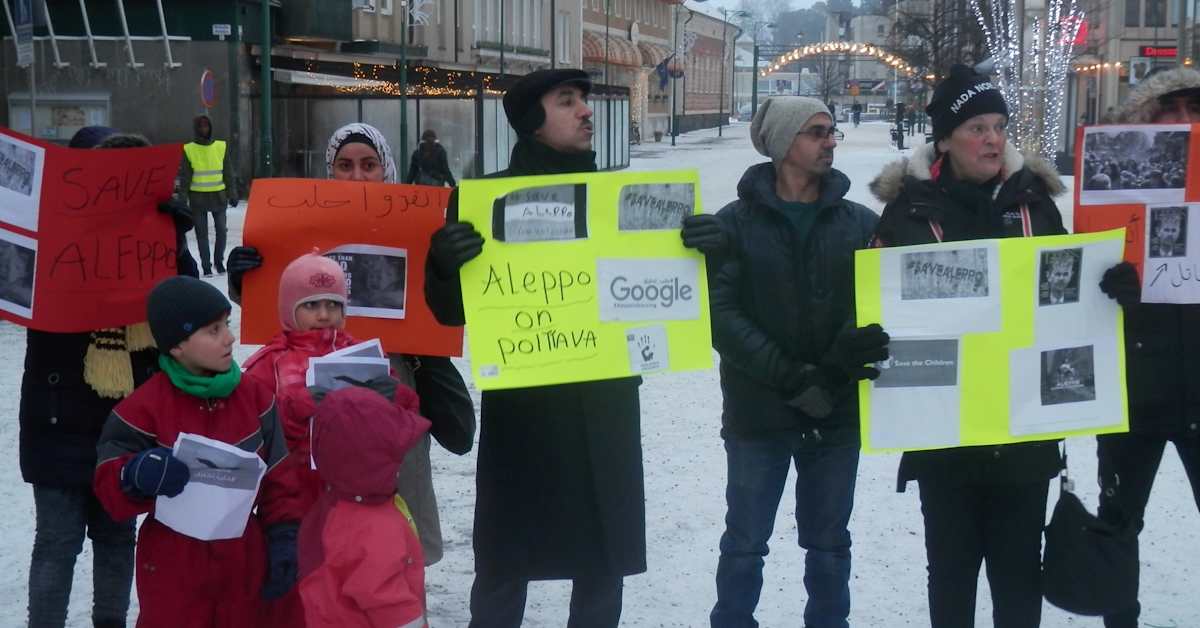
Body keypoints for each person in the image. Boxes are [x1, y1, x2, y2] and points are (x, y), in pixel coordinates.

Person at [424, 68, 645, 628]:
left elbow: (659, 300)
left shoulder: (620, 201)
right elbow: (450, 313)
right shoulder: (482, 202)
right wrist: (444, 267)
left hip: (604, 406)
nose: (586, 111)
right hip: (525, 408)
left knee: (601, 560)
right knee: (505, 555)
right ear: (531, 122)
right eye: (567, 102)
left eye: (584, 101)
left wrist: (696, 257)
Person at [868, 64, 1067, 628]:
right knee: (951, 575)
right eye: (977, 127)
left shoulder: (1035, 203)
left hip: (1022, 427)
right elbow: (877, 305)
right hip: (944, 434)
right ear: (945, 139)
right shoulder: (908, 211)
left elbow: (1062, 294)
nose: (993, 139)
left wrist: (1104, 293)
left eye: (999, 126)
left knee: (1018, 575)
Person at [225, 122, 476, 568]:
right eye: (344, 166)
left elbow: (442, 302)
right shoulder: (304, 223)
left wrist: (446, 265)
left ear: (386, 170)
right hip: (314, 389)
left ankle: (398, 588)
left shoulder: (418, 228)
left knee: (397, 506)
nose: (357, 177)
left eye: (368, 165)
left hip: (393, 380)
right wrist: (249, 279)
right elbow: (284, 300)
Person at [680, 97, 885, 628]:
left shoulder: (861, 223)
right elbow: (721, 317)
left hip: (836, 413)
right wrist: (793, 377)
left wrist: (833, 372)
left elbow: (873, 305)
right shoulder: (732, 226)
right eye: (817, 132)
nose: (830, 141)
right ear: (781, 143)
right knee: (745, 543)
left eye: (832, 131)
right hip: (758, 416)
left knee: (829, 547)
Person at [19, 127, 196, 628]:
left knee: (118, 536)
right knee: (57, 541)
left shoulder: (151, 237)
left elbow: (184, 314)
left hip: (127, 423)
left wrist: (176, 244)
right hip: (55, 421)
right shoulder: (49, 241)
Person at [93, 276, 302, 627]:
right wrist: (134, 475)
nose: (229, 338)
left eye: (227, 325)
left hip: (243, 560)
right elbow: (108, 484)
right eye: (213, 330)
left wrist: (284, 537)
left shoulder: (255, 397)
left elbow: (281, 477)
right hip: (173, 567)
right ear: (177, 346)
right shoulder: (143, 408)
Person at [1095, 66, 1200, 628]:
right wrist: (1109, 282)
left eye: (1194, 108)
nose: (1183, 121)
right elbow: (1075, 280)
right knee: (1117, 522)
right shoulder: (1115, 185)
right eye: (1169, 109)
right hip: (1133, 385)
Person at [297, 386, 431, 628]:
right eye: (394, 453)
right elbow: (388, 603)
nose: (401, 459)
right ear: (374, 461)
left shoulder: (335, 505)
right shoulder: (373, 526)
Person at [180, 114, 238, 277]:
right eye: (201, 126)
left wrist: (232, 193)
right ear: (196, 129)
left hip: (218, 197)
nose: (204, 129)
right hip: (198, 199)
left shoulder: (220, 147)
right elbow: (185, 177)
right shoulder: (189, 149)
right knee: (202, 235)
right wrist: (182, 200)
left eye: (206, 126)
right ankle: (206, 265)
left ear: (210, 127)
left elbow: (228, 172)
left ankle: (219, 262)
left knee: (222, 231)